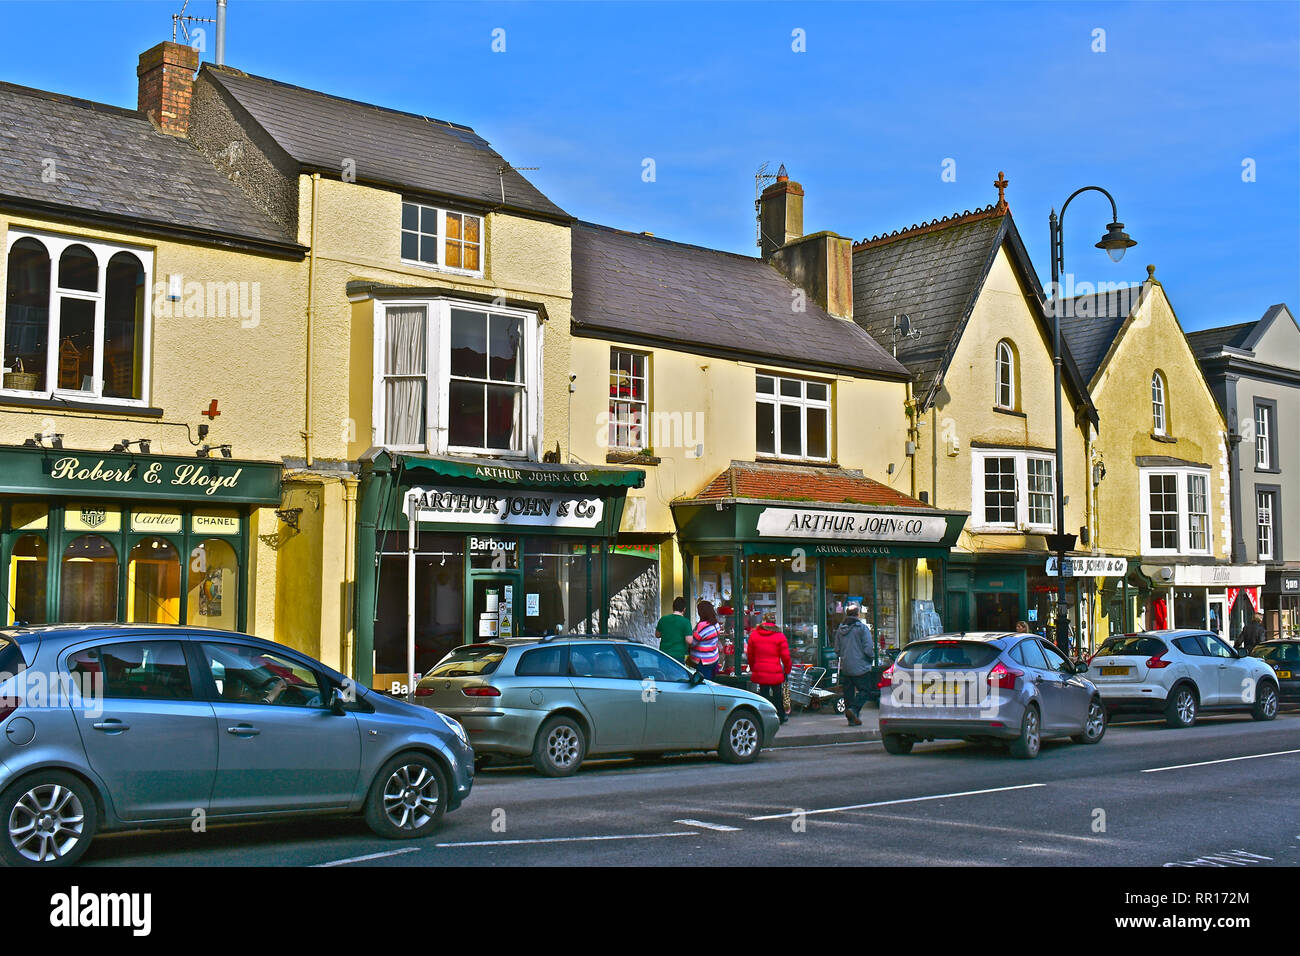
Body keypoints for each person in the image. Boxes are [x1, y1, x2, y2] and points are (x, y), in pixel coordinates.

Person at [746, 612, 792, 724]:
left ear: (763, 621)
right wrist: (787, 669)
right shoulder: (780, 636)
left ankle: (763, 717)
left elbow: (750, 654)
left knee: (763, 695)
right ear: (774, 622)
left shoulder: (754, 635)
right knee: (777, 694)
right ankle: (781, 716)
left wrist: (753, 667)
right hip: (775, 671)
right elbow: (785, 656)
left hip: (760, 670)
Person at [833, 603, 875, 726]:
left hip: (846, 666)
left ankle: (852, 720)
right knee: (865, 690)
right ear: (857, 614)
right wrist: (870, 658)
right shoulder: (862, 628)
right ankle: (854, 710)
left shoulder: (840, 630)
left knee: (848, 694)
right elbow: (868, 648)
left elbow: (837, 649)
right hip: (860, 666)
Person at [687, 600, 722, 679]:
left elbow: (693, 642)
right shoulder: (715, 624)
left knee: (703, 684)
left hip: (703, 661)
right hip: (713, 658)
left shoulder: (702, 626)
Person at [655, 596, 692, 663]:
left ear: (673, 607)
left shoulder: (663, 619)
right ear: (684, 609)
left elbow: (657, 635)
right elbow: (689, 640)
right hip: (678, 655)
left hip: (664, 653)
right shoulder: (685, 622)